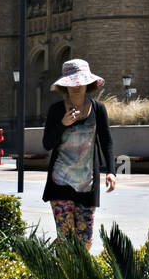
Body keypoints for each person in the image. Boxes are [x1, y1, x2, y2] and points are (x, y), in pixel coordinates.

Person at [41, 59, 116, 249]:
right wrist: (62, 124)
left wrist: (111, 171)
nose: (76, 86)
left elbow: (106, 141)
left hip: (87, 184)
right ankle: (64, 276)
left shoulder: (98, 109)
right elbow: (47, 144)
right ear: (65, 85)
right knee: (65, 239)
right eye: (72, 83)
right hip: (60, 182)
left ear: (87, 83)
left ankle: (80, 276)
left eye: (80, 82)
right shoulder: (56, 110)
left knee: (85, 241)